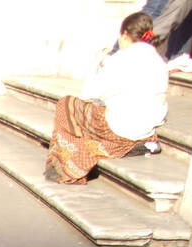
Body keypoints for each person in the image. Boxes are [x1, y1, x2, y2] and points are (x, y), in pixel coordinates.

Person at [45, 11, 168, 184]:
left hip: (119, 129)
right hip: (146, 130)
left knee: (67, 105)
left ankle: (64, 164)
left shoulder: (120, 59)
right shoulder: (160, 63)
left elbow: (88, 93)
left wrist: (97, 63)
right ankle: (137, 143)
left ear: (125, 34)